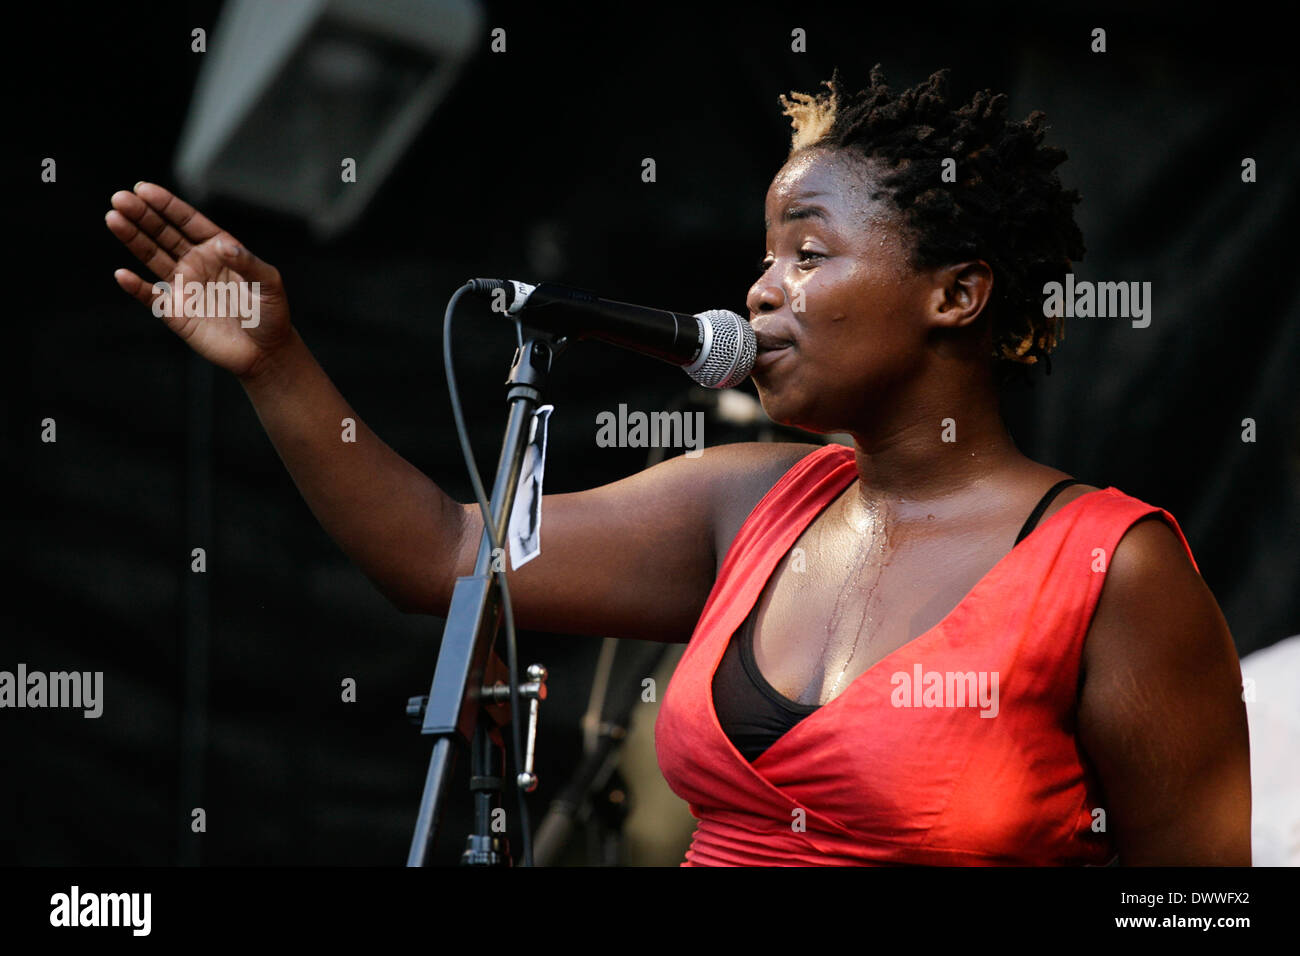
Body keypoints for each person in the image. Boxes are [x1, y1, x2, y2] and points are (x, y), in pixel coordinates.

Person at [105, 64, 1251, 866]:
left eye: (809, 252)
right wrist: (275, 361)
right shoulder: (745, 496)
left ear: (955, 293)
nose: (758, 289)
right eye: (763, 255)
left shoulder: (1111, 571)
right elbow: (445, 552)